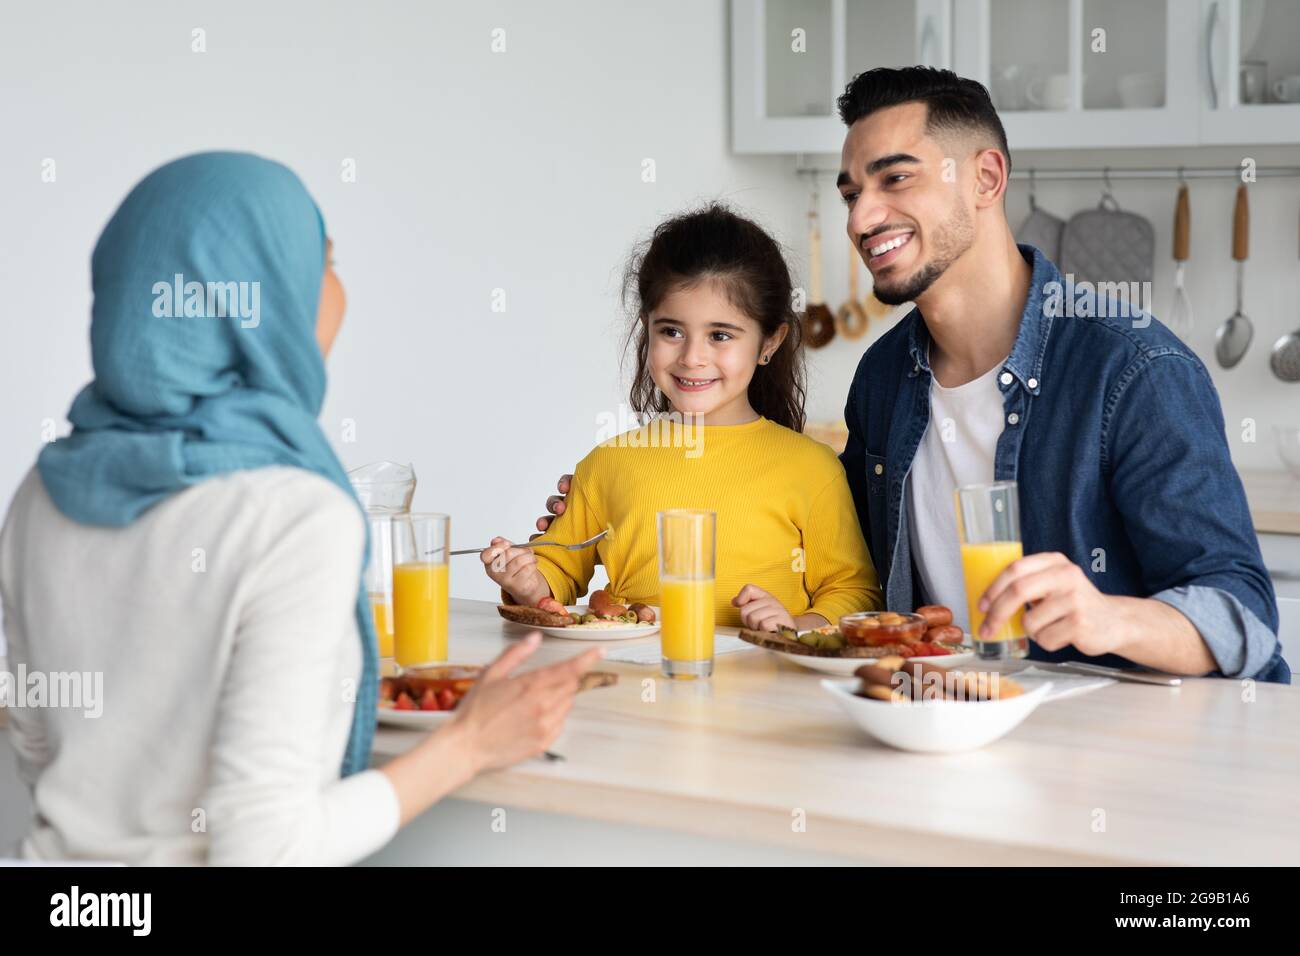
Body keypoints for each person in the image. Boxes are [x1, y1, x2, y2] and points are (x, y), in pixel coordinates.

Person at [542, 68, 1288, 683]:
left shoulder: (1131, 368)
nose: (864, 217)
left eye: (894, 180)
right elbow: (840, 574)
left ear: (986, 177)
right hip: (922, 731)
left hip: (1107, 755)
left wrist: (1107, 615)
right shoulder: (885, 377)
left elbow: (1244, 617)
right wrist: (619, 504)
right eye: (850, 193)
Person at [0, 152, 603, 866]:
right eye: (324, 262)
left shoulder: (45, 489)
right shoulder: (295, 516)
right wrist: (470, 744)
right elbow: (268, 851)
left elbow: (41, 750)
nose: (339, 288)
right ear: (263, 298)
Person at [483, 204, 882, 633]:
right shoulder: (608, 463)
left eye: (720, 335)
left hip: (764, 687)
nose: (692, 357)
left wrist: (796, 625)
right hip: (635, 689)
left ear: (770, 341)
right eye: (671, 331)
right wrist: (528, 582)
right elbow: (559, 568)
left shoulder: (812, 469)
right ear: (646, 328)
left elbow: (854, 591)